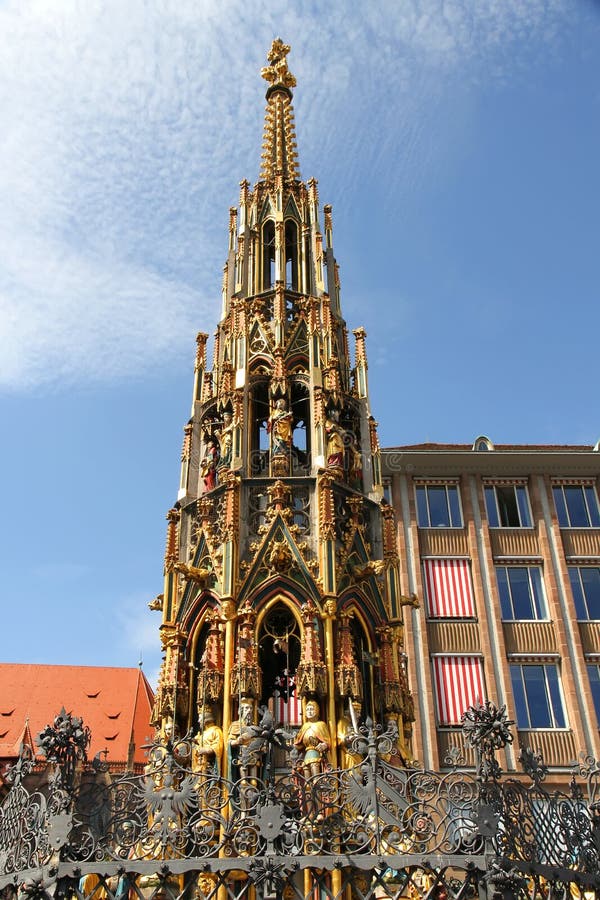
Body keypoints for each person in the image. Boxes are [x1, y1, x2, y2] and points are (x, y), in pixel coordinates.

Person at [294, 699, 331, 778]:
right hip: (306, 755)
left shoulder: (321, 725)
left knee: (315, 776)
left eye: (311, 709)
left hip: (316, 753)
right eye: (307, 710)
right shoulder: (305, 726)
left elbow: (328, 741)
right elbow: (299, 743)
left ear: (317, 711)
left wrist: (324, 745)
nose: (309, 712)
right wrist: (296, 745)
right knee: (307, 776)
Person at [192, 705, 224, 776]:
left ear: (206, 719)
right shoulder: (203, 733)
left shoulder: (216, 730)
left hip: (210, 765)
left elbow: (218, 746)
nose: (198, 721)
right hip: (200, 764)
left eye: (200, 718)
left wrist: (207, 750)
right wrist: (196, 744)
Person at [337, 699, 363, 769]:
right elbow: (339, 739)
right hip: (348, 752)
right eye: (357, 712)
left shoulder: (354, 724)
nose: (359, 715)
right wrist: (348, 738)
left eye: (359, 712)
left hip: (356, 752)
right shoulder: (342, 722)